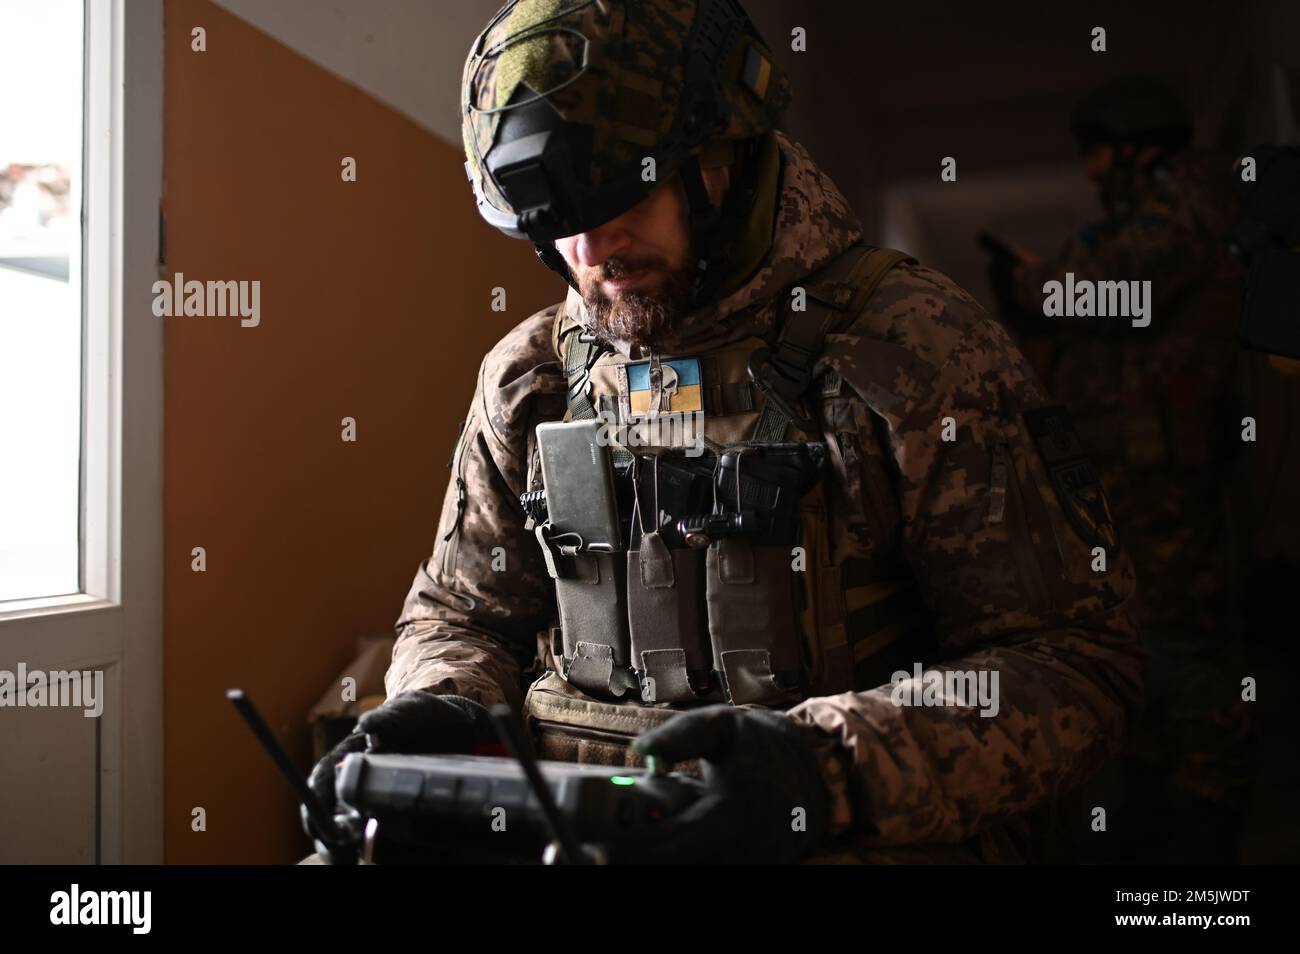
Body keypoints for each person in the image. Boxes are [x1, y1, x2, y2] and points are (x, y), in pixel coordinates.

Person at [308, 0, 1143, 864]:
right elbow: (461, 614)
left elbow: (1078, 664)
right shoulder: (533, 376)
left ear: (727, 159)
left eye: (625, 189)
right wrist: (444, 707)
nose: (591, 247)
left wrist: (823, 770)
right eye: (556, 215)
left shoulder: (915, 347)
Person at [1000, 75, 1252, 862]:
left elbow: (1100, 294)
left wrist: (1028, 284)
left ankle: (1202, 811)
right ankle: (1166, 802)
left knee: (1183, 640)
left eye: (1102, 152)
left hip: (1164, 473)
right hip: (1137, 468)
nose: (1095, 171)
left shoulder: (1186, 204)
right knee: (1147, 635)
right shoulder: (1155, 211)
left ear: (1140, 142)